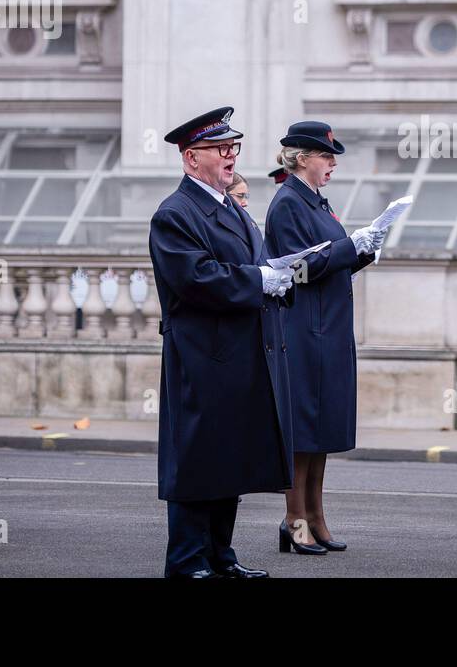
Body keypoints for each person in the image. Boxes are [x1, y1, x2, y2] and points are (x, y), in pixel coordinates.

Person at [148, 107, 297, 578]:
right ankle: (188, 560)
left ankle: (220, 556)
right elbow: (195, 277)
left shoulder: (227, 205)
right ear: (192, 158)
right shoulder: (176, 212)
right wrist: (258, 280)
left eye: (233, 147)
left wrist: (275, 275)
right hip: (200, 354)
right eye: (220, 149)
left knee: (226, 459)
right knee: (198, 460)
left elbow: (242, 264)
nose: (231, 156)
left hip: (233, 351)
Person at [265, 121, 385, 555]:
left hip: (327, 326)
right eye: (325, 156)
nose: (332, 163)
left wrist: (363, 250)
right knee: (302, 431)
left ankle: (315, 517)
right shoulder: (287, 204)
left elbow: (328, 261)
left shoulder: (316, 203)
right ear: (301, 159)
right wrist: (350, 247)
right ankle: (295, 520)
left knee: (321, 430)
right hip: (304, 328)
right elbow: (297, 270)